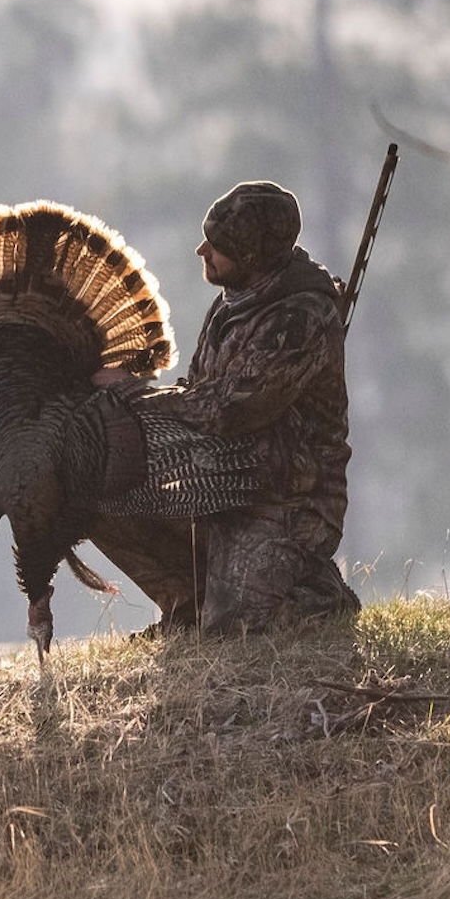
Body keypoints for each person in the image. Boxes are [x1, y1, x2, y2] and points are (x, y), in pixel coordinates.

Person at [92, 180, 359, 633]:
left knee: (235, 629)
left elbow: (228, 409)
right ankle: (187, 604)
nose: (202, 250)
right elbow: (197, 392)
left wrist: (135, 394)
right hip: (219, 483)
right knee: (98, 493)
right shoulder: (231, 305)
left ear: (251, 256)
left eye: (217, 244)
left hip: (289, 504)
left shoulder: (299, 319)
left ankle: (321, 597)